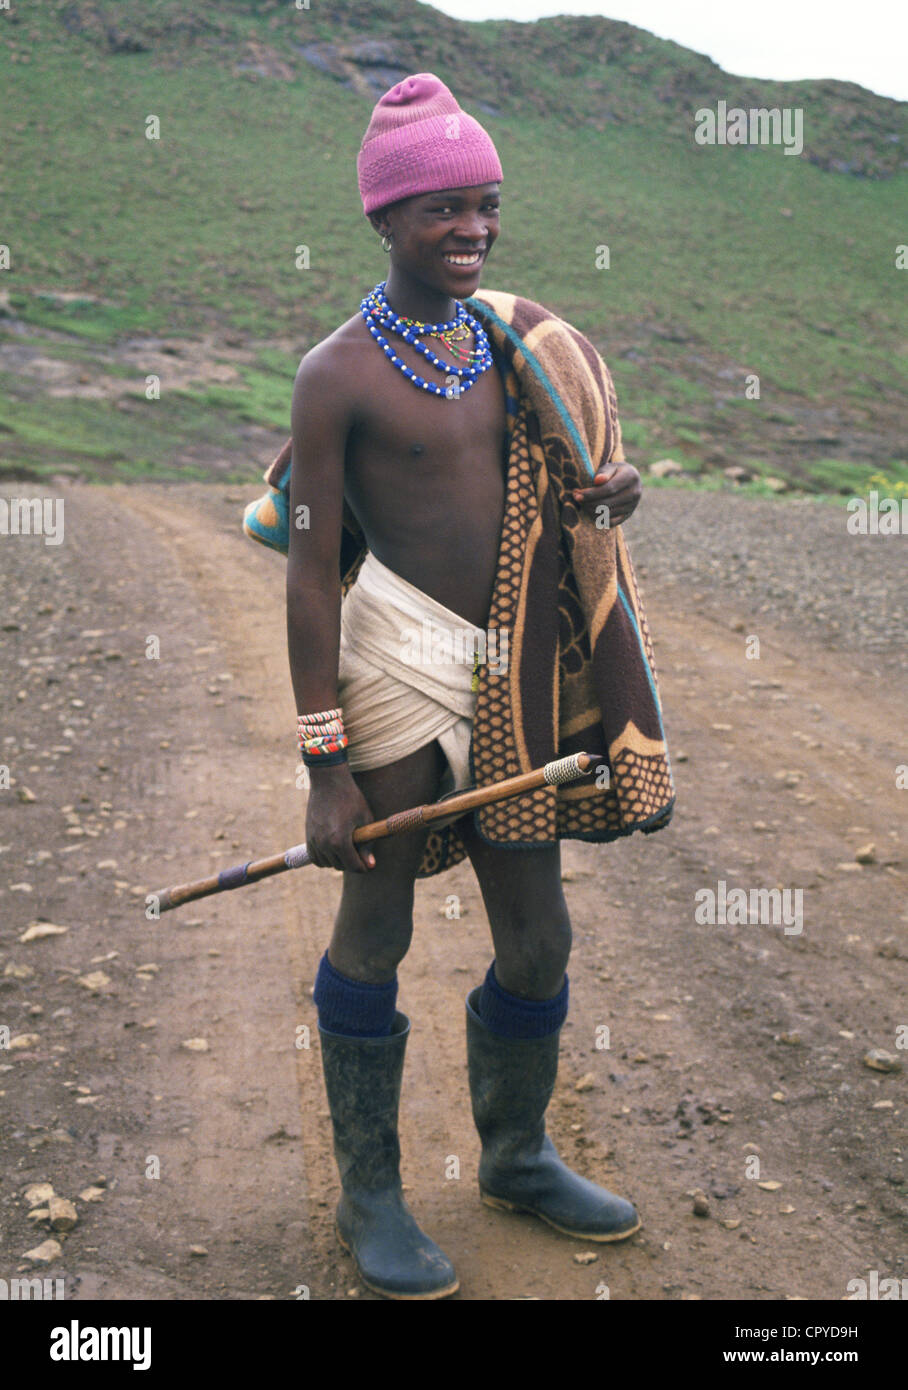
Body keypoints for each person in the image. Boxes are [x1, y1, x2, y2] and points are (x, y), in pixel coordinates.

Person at [284, 73, 674, 1300]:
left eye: (485, 205)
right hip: (392, 659)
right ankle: (371, 1196)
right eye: (442, 208)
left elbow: (569, 485)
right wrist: (324, 768)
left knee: (538, 935)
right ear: (383, 222)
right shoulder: (335, 375)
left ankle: (513, 1153)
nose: (471, 229)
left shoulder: (514, 348)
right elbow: (307, 578)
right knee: (377, 926)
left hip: (509, 670)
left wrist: (611, 496)